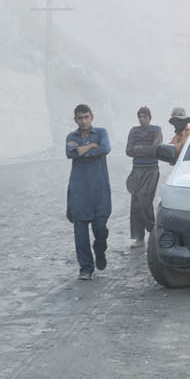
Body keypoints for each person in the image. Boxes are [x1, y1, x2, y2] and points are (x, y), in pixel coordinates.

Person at [65, 105, 111, 280]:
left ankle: (100, 250)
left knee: (100, 229)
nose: (83, 121)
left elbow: (105, 149)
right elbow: (70, 153)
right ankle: (85, 267)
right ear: (75, 120)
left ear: (92, 117)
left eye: (86, 117)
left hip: (99, 191)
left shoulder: (101, 133)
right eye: (80, 118)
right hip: (78, 191)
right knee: (80, 234)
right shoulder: (71, 136)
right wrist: (92, 146)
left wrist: (81, 151)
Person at [123, 105, 163, 247]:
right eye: (140, 116)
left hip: (151, 171)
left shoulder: (156, 130)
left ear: (149, 118)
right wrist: (145, 149)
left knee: (144, 202)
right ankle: (139, 237)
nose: (142, 119)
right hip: (136, 171)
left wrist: (138, 148)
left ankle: (153, 230)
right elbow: (128, 150)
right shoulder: (133, 131)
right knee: (135, 204)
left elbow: (155, 148)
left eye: (144, 116)